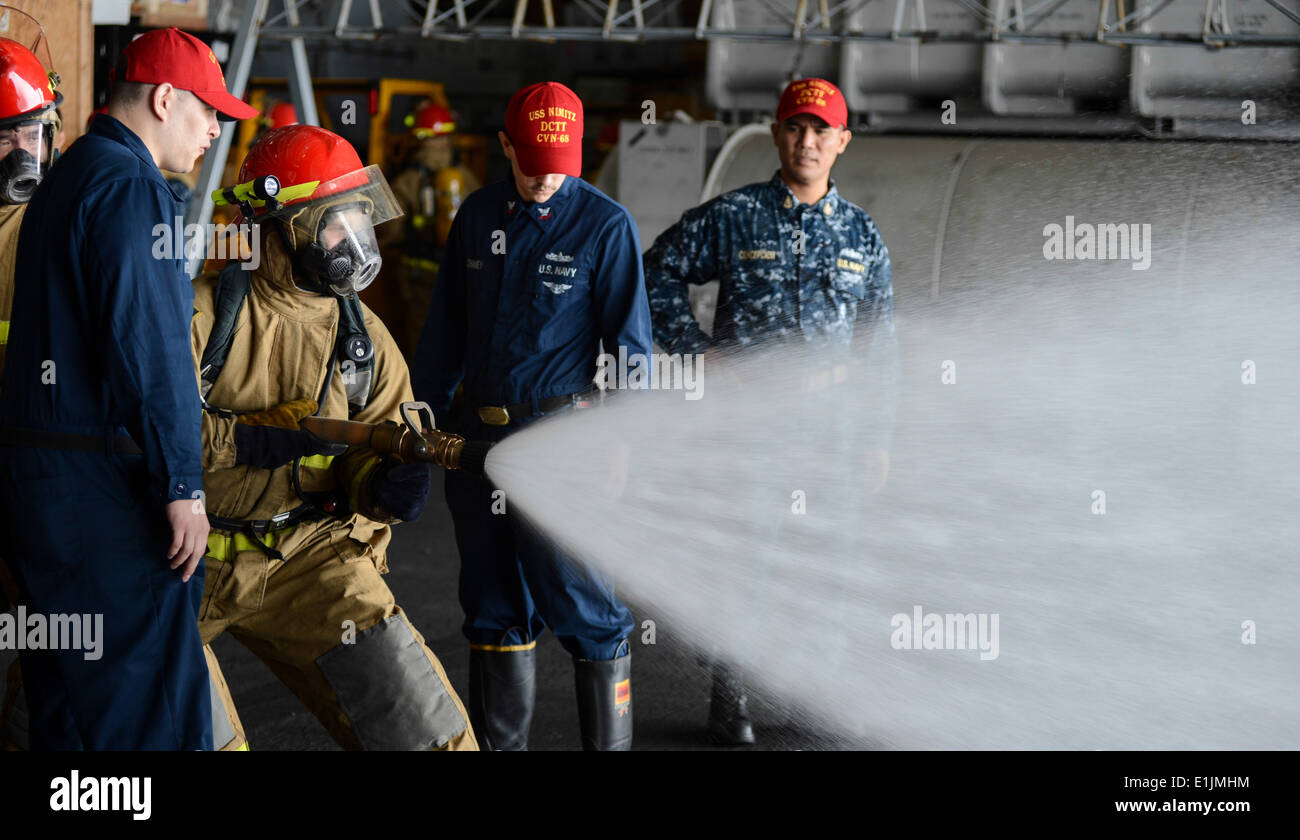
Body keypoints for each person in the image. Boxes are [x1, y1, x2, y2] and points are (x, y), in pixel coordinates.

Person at [0, 27, 257, 750]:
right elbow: (149, 348)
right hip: (102, 496)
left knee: (74, 713)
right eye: (209, 111)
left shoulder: (74, 175)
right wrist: (183, 483)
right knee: (145, 719)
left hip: (47, 487)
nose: (215, 130)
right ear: (165, 98)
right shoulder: (131, 187)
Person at [192, 124, 477, 751]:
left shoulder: (364, 339)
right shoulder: (199, 318)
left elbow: (371, 452)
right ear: (276, 232)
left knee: (429, 738)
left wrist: (382, 484)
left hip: (309, 556)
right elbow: (144, 438)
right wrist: (249, 441)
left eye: (357, 220)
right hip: (186, 561)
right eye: (332, 224)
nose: (352, 243)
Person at [642, 77, 900, 745]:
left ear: (842, 141)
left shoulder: (862, 235)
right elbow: (655, 271)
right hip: (748, 425)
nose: (806, 140)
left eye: (821, 130)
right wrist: (695, 351)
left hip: (833, 432)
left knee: (826, 560)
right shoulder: (735, 215)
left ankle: (815, 695)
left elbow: (880, 342)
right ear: (777, 133)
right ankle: (731, 696)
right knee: (746, 557)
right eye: (794, 127)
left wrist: (878, 437)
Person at [412, 81, 651, 751]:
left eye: (560, 162)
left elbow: (632, 351)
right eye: (532, 159)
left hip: (561, 444)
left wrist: (621, 446)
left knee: (585, 606)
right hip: (475, 445)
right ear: (505, 145)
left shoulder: (605, 225)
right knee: (491, 608)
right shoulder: (476, 217)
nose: (546, 176)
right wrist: (420, 422)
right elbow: (443, 335)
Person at [380, 102, 480, 356]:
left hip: (419, 275)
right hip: (461, 272)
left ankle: (423, 395)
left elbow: (391, 231)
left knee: (423, 340)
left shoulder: (406, 180)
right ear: (447, 137)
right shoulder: (466, 176)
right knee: (461, 336)